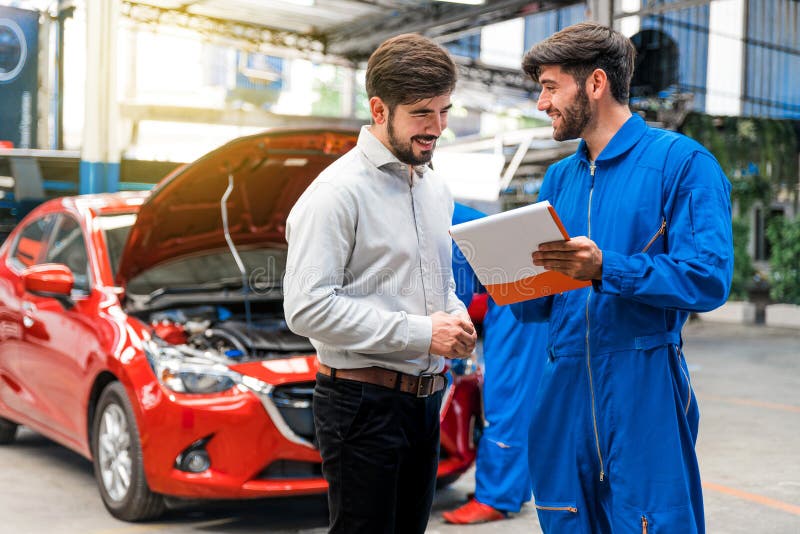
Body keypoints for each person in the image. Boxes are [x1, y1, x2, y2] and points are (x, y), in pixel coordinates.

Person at [511, 22, 734, 533]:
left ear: (595, 83)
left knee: (653, 522)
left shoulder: (682, 164)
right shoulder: (559, 177)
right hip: (562, 382)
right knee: (564, 518)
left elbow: (707, 277)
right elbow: (538, 304)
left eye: (549, 87)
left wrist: (606, 268)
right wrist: (508, 276)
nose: (542, 103)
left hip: (643, 382)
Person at [283, 33, 477, 534]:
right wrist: (420, 333)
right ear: (378, 108)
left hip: (425, 400)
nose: (437, 128)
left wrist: (454, 319)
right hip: (361, 407)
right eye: (421, 114)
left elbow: (435, 287)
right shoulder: (335, 194)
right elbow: (305, 308)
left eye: (444, 111)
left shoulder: (434, 186)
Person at [443, 203, 548, 525]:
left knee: (506, 395)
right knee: (513, 395)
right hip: (514, 282)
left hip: (519, 290)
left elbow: (448, 297)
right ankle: (507, 490)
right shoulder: (425, 201)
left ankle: (496, 498)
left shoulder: (426, 211)